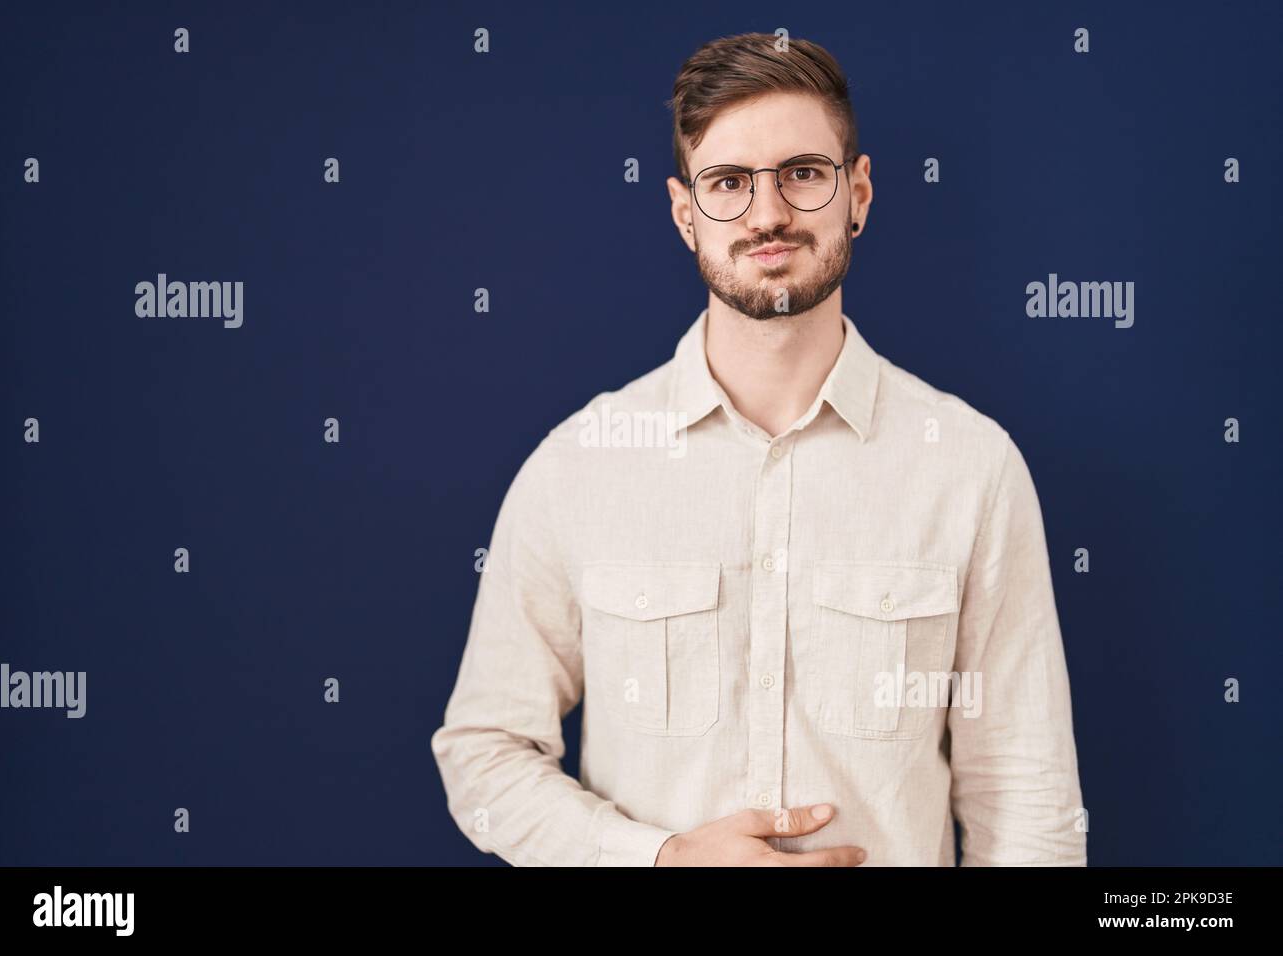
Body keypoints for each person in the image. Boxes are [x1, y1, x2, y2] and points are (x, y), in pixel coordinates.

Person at [431, 32, 1086, 867]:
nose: (768, 213)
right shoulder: (580, 466)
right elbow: (483, 755)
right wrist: (659, 859)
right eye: (729, 184)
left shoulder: (969, 467)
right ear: (684, 214)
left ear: (859, 193)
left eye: (802, 174)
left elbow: (1027, 798)